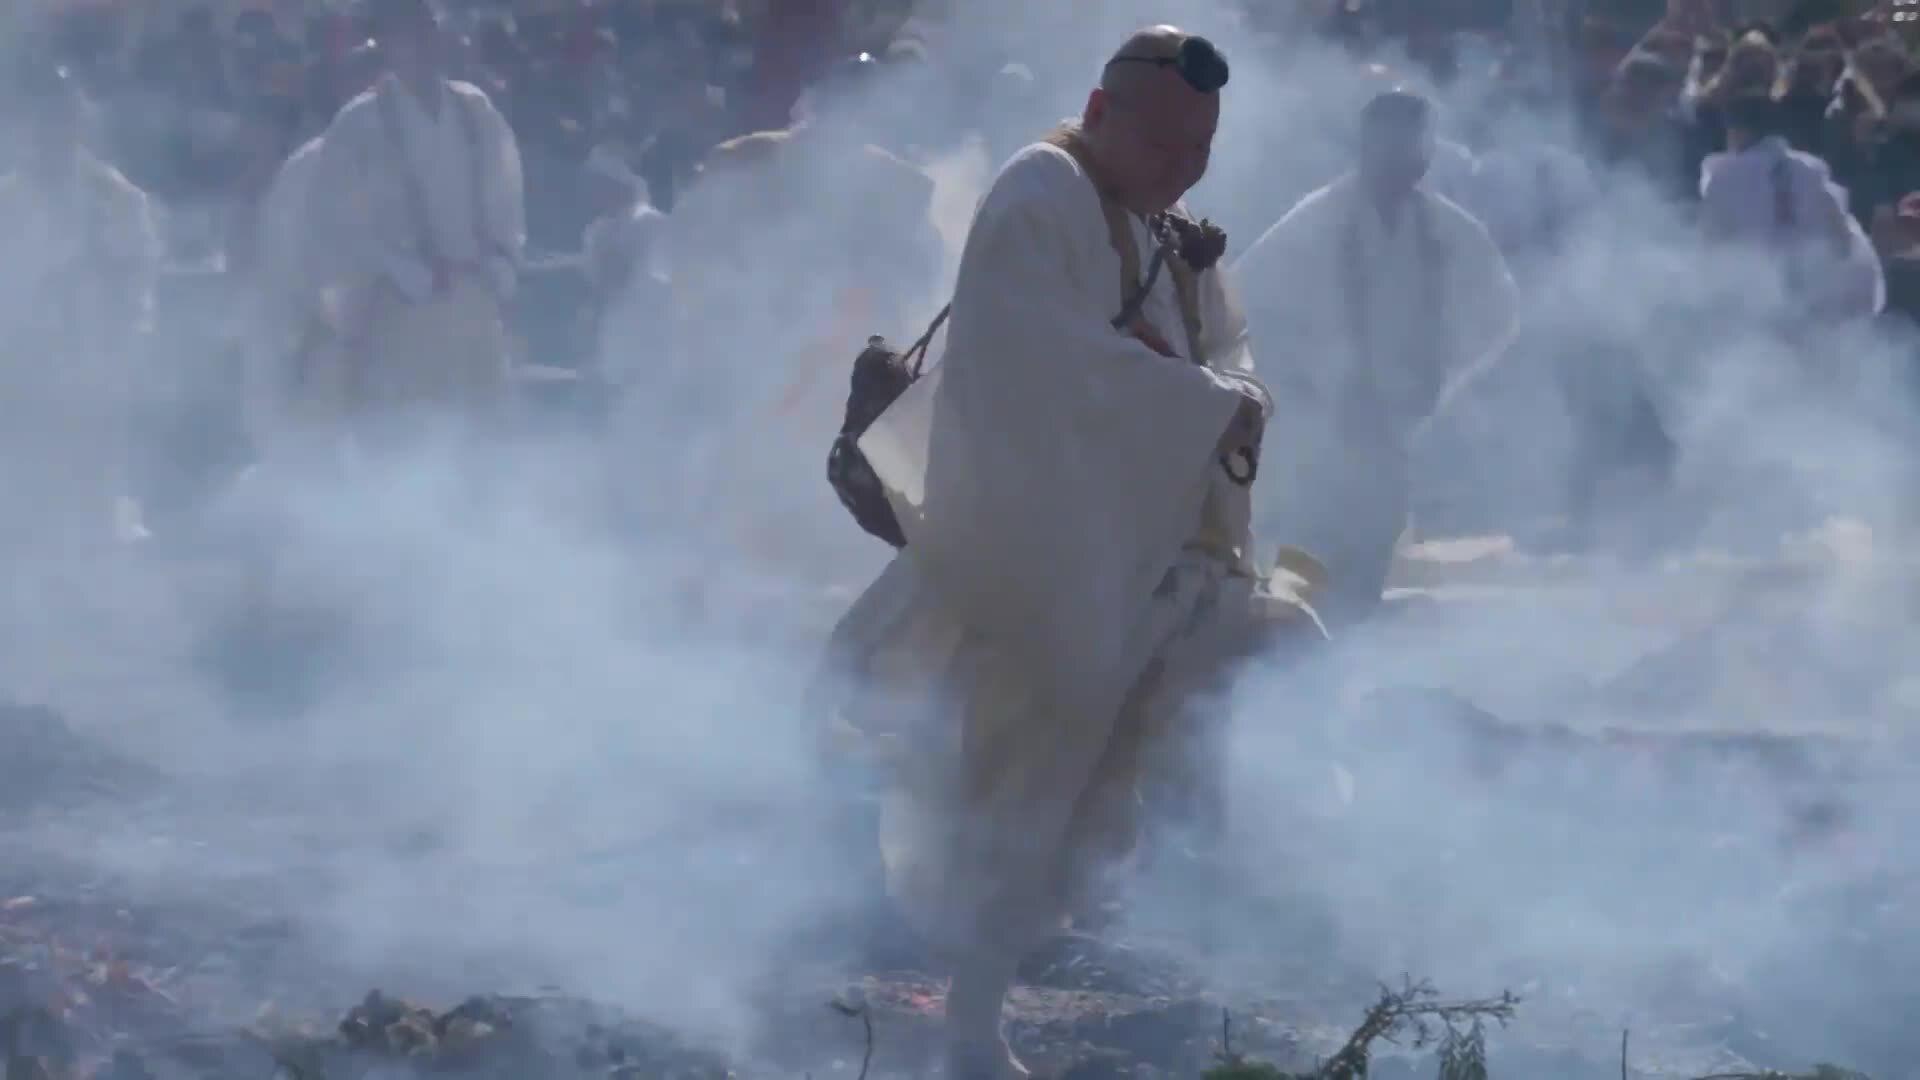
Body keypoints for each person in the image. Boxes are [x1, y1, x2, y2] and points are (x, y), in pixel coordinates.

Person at [817, 27, 1323, 1079]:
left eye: (1202, 151)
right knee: (1022, 798)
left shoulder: (1161, 229)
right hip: (1042, 563)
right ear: (1101, 116)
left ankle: (1246, 904)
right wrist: (1198, 400)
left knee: (1278, 645)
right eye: (1166, 145)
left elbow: (1229, 364)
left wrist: (1223, 385)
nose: (1184, 170)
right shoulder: (1038, 192)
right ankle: (967, 1024)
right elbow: (1038, 364)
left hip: (1145, 553)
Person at [1235, 90, 1518, 626]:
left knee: (1369, 558)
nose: (1402, 155)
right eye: (1390, 141)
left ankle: (1345, 672)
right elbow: (1242, 301)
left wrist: (1443, 381)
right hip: (1319, 428)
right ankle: (1292, 668)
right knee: (1306, 558)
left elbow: (1499, 312)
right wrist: (1307, 382)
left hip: (1397, 428)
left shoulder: (1444, 228)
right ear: (1365, 145)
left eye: (1414, 143)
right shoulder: (1319, 219)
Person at [303, 0, 525, 456]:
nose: (423, 44)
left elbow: (504, 187)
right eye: (408, 33)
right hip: (401, 307)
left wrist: (503, 260)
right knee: (411, 442)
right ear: (386, 43)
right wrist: (401, 271)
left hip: (474, 298)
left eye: (430, 30)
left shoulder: (474, 107)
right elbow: (338, 222)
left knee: (485, 438)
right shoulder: (358, 122)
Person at [0, 64, 161, 546]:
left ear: (78, 122)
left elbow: (139, 292)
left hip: (91, 375)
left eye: (61, 115)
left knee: (88, 509)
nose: (50, 128)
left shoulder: (116, 201)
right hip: (19, 380)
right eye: (40, 116)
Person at [1700, 93, 1883, 324]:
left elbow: (1710, 244)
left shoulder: (1724, 176)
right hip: (1815, 298)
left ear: (1738, 131)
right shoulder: (1812, 171)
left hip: (1753, 302)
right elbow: (1843, 242)